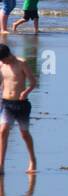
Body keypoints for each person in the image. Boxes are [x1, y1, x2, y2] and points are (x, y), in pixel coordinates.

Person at [0, 43, 37, 174]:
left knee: (24, 134)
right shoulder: (2, 65)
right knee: (3, 130)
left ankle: (32, 159)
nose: (3, 62)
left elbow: (33, 82)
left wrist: (26, 92)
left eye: (4, 59)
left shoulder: (22, 63)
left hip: (21, 104)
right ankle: (1, 165)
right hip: (6, 103)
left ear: (9, 55)